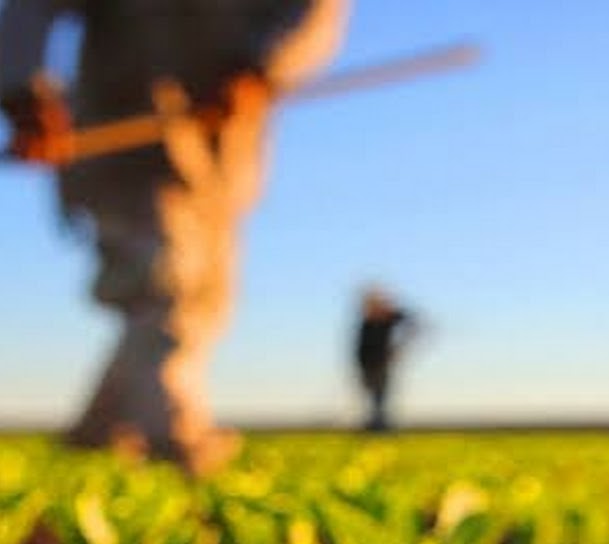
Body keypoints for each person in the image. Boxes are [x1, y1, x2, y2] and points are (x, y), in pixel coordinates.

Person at [0, 0, 350, 472]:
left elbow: (311, 15)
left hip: (219, 148)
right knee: (165, 286)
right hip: (124, 128)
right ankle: (174, 436)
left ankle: (97, 431)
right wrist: (23, 90)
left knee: (205, 298)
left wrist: (262, 68)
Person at [355, 285, 417, 431]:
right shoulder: (366, 322)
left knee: (380, 396)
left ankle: (379, 425)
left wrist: (400, 347)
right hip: (366, 365)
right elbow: (360, 348)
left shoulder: (388, 317)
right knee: (373, 397)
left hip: (381, 364)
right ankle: (376, 423)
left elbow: (412, 324)